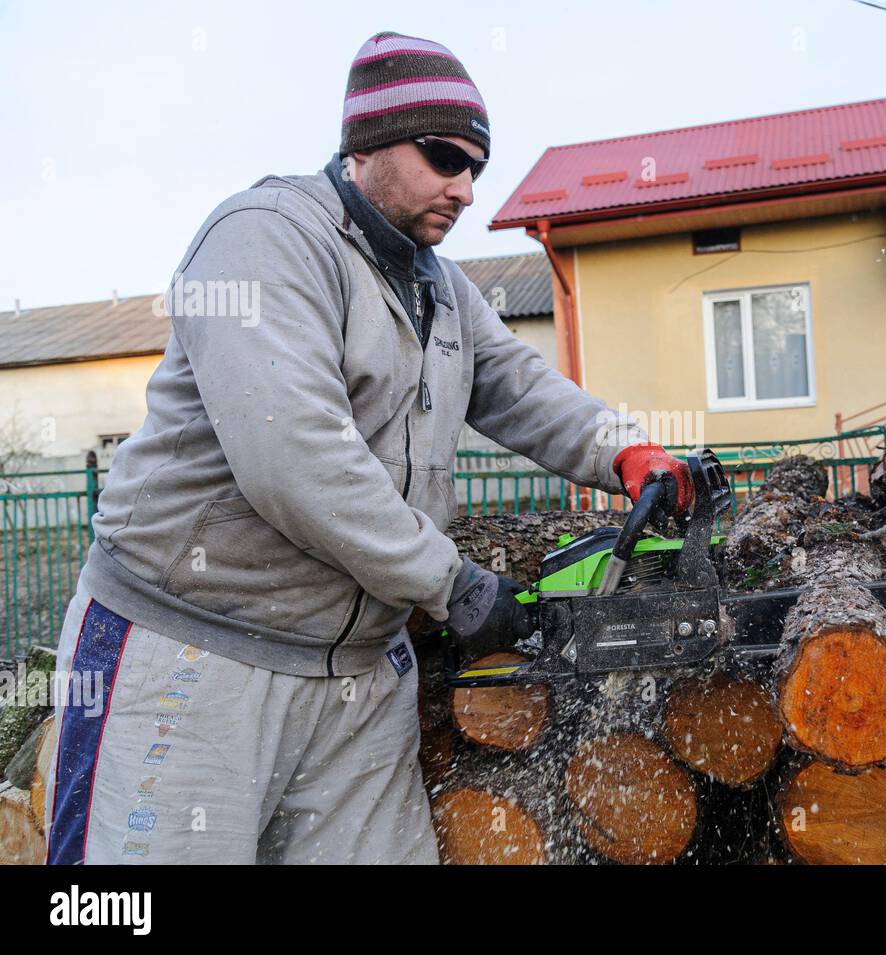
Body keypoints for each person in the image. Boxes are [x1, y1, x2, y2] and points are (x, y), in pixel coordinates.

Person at [45, 31, 692, 864]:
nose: (462, 187)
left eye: (475, 169)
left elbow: (520, 385)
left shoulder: (440, 286)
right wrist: (450, 582)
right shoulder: (266, 239)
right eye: (443, 157)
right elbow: (295, 460)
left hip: (354, 671)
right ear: (366, 142)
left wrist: (628, 455)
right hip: (191, 652)